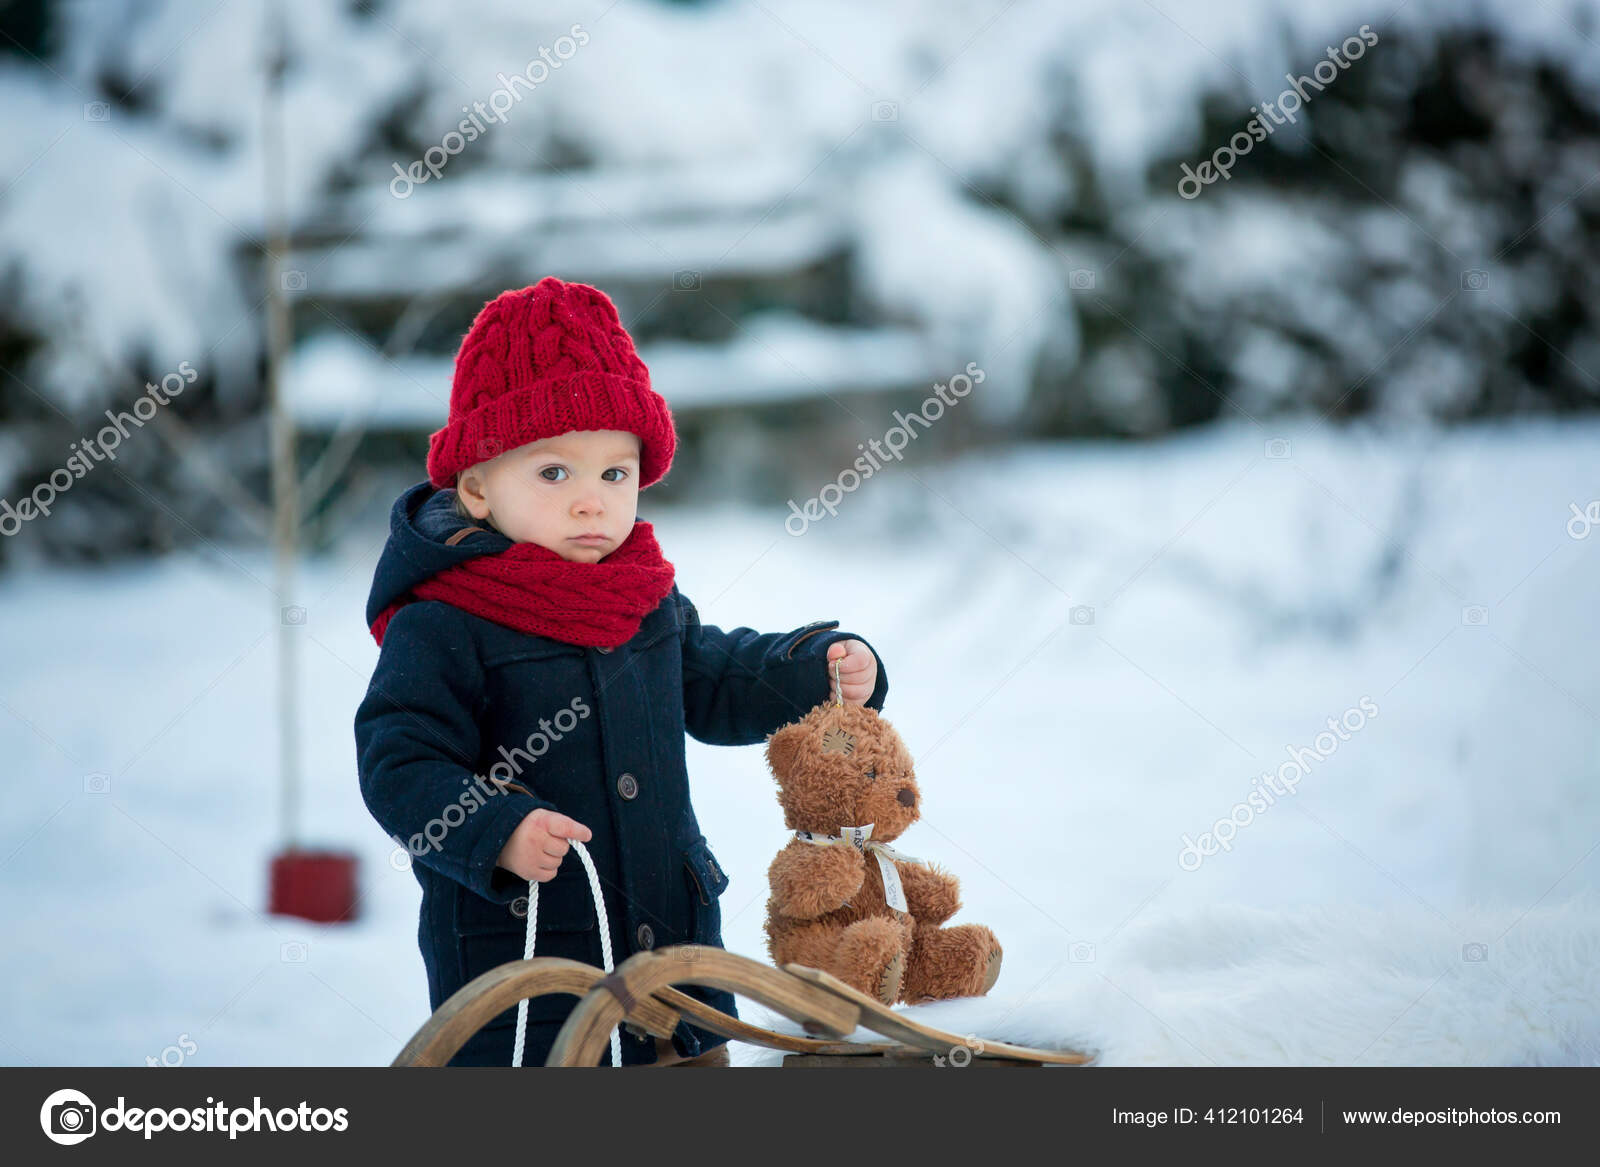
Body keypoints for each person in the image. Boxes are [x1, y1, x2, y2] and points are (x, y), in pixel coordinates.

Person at [354, 277, 889, 1066]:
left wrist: (815, 668)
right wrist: (493, 828)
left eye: (614, 474)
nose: (591, 504)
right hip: (527, 989)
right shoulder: (447, 621)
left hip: (677, 978)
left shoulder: (641, 594)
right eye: (554, 473)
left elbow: (712, 676)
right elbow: (399, 760)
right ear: (475, 486)